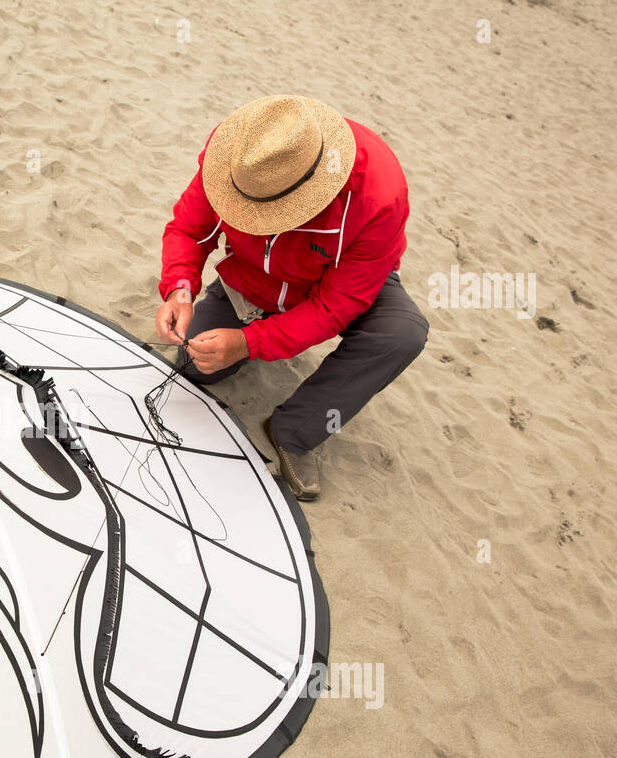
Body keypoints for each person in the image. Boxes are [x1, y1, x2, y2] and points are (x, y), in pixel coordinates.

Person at [155, 94, 427, 500]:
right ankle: (244, 323)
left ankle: (296, 432)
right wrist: (180, 288)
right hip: (253, 279)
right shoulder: (239, 153)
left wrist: (250, 342)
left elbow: (334, 307)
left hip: (339, 283)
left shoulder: (378, 196)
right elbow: (188, 228)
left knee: (402, 333)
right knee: (196, 368)